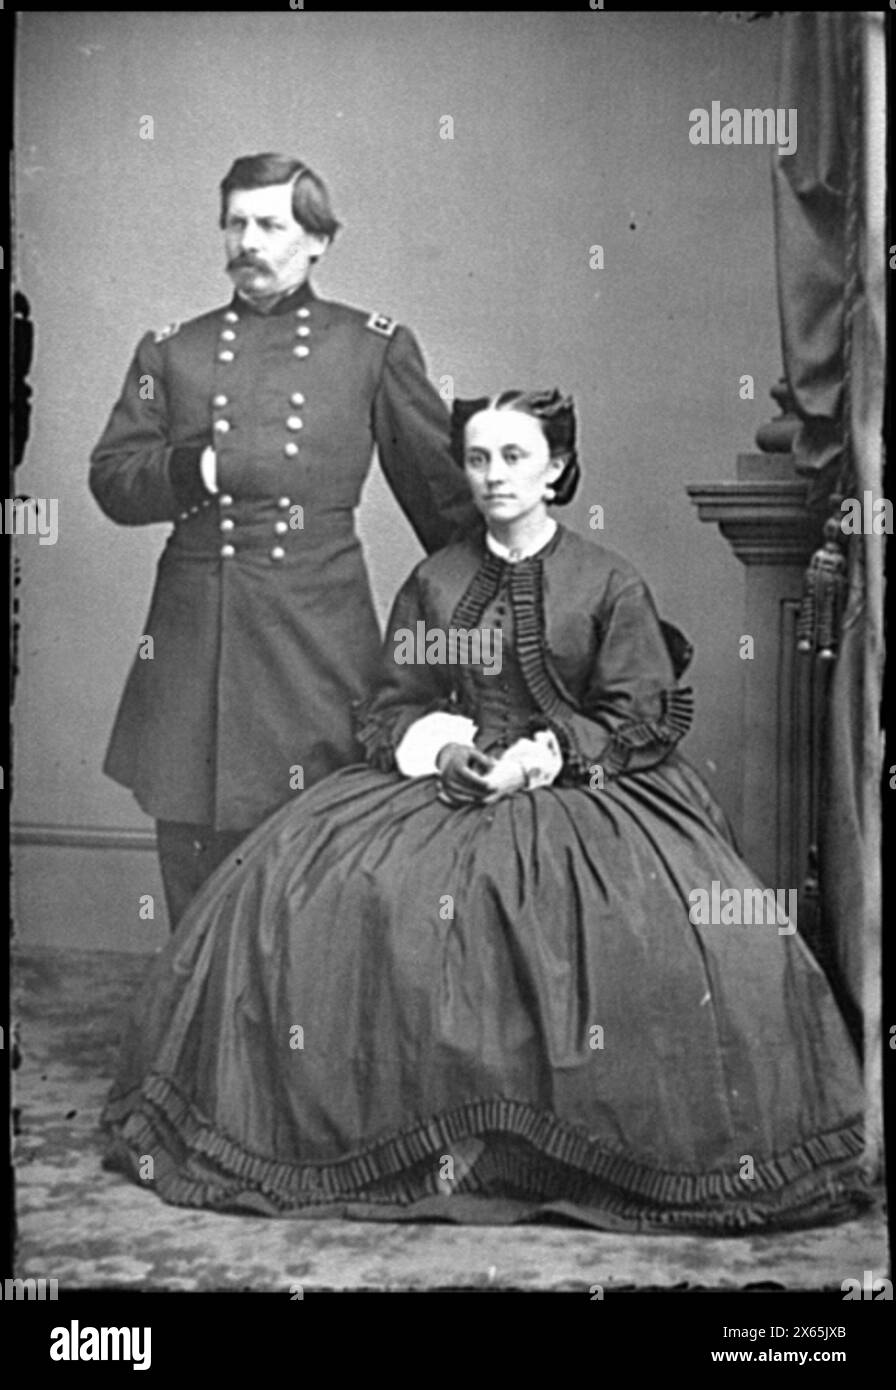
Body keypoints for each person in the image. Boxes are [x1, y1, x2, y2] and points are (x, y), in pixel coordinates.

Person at [101, 388, 867, 1232]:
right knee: (329, 897)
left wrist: (542, 757)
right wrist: (440, 746)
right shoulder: (438, 580)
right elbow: (389, 707)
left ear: (558, 469)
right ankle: (425, 1146)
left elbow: (637, 716)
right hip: (444, 786)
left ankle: (560, 1152)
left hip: (587, 791)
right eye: (476, 458)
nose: (494, 477)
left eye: (514, 457)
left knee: (659, 938)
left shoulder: (605, 581)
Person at [89, 153, 480, 927]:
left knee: (312, 874)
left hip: (315, 640)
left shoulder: (372, 346)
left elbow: (445, 508)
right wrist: (198, 464)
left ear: (318, 241)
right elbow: (112, 480)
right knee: (191, 861)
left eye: (271, 224)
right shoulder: (171, 350)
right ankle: (198, 1042)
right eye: (235, 222)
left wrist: (483, 630)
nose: (249, 241)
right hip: (198, 640)